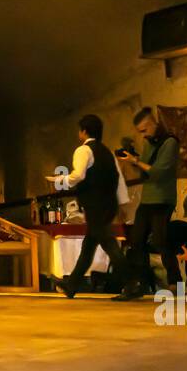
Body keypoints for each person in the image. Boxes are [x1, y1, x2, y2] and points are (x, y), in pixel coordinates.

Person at [50, 114, 130, 299]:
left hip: (95, 204)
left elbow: (78, 175)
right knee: (89, 245)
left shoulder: (83, 150)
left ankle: (133, 281)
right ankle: (72, 284)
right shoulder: (107, 152)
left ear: (84, 131)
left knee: (109, 244)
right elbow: (118, 180)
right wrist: (122, 204)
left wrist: (60, 180)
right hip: (109, 204)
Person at [122, 106, 180, 296]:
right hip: (147, 199)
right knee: (136, 240)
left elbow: (158, 172)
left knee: (161, 241)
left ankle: (175, 282)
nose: (143, 135)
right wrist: (133, 159)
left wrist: (137, 162)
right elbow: (144, 172)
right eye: (140, 132)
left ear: (153, 124)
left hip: (163, 199)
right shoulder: (149, 143)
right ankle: (142, 282)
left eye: (144, 130)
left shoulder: (170, 142)